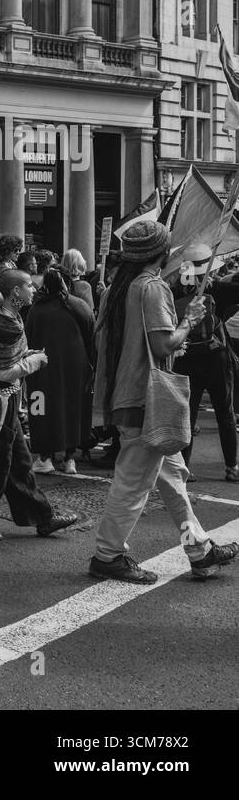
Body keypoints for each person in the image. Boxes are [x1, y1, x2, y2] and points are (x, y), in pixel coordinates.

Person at [89, 220, 238, 581]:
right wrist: (188, 321)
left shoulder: (116, 289)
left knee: (173, 479)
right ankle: (107, 555)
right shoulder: (152, 288)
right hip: (146, 399)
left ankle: (199, 549)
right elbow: (163, 345)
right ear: (161, 253)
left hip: (128, 394)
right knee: (133, 482)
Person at [0, 270, 81, 541]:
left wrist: (26, 355)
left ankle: (43, 517)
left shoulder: (6, 319)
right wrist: (34, 362)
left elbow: (1, 359)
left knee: (19, 462)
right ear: (15, 292)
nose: (33, 288)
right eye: (27, 285)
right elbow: (1, 371)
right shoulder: (6, 323)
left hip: (3, 399)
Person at [171, 243, 239, 481]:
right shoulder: (218, 289)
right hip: (216, 359)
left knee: (187, 414)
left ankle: (184, 468)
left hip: (185, 357)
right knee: (225, 412)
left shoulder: (174, 290)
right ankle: (232, 466)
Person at [25, 270, 95, 475]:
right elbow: (91, 335)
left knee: (42, 409)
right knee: (74, 407)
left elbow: (27, 337)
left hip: (42, 366)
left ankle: (45, 457)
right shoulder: (79, 305)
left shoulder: (37, 309)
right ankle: (69, 458)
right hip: (76, 363)